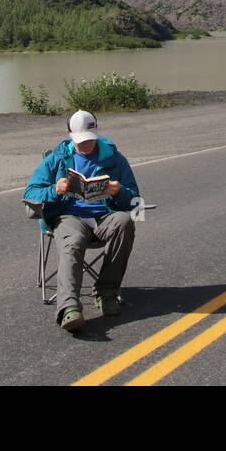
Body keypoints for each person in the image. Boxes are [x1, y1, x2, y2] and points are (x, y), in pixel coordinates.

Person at [23, 109, 141, 333]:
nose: (85, 145)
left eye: (88, 140)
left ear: (96, 133)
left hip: (103, 215)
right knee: (74, 239)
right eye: (80, 141)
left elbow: (135, 199)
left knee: (125, 222)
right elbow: (30, 193)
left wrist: (119, 192)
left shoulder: (115, 158)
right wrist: (55, 190)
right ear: (69, 133)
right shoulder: (56, 158)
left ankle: (106, 293)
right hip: (68, 216)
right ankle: (69, 307)